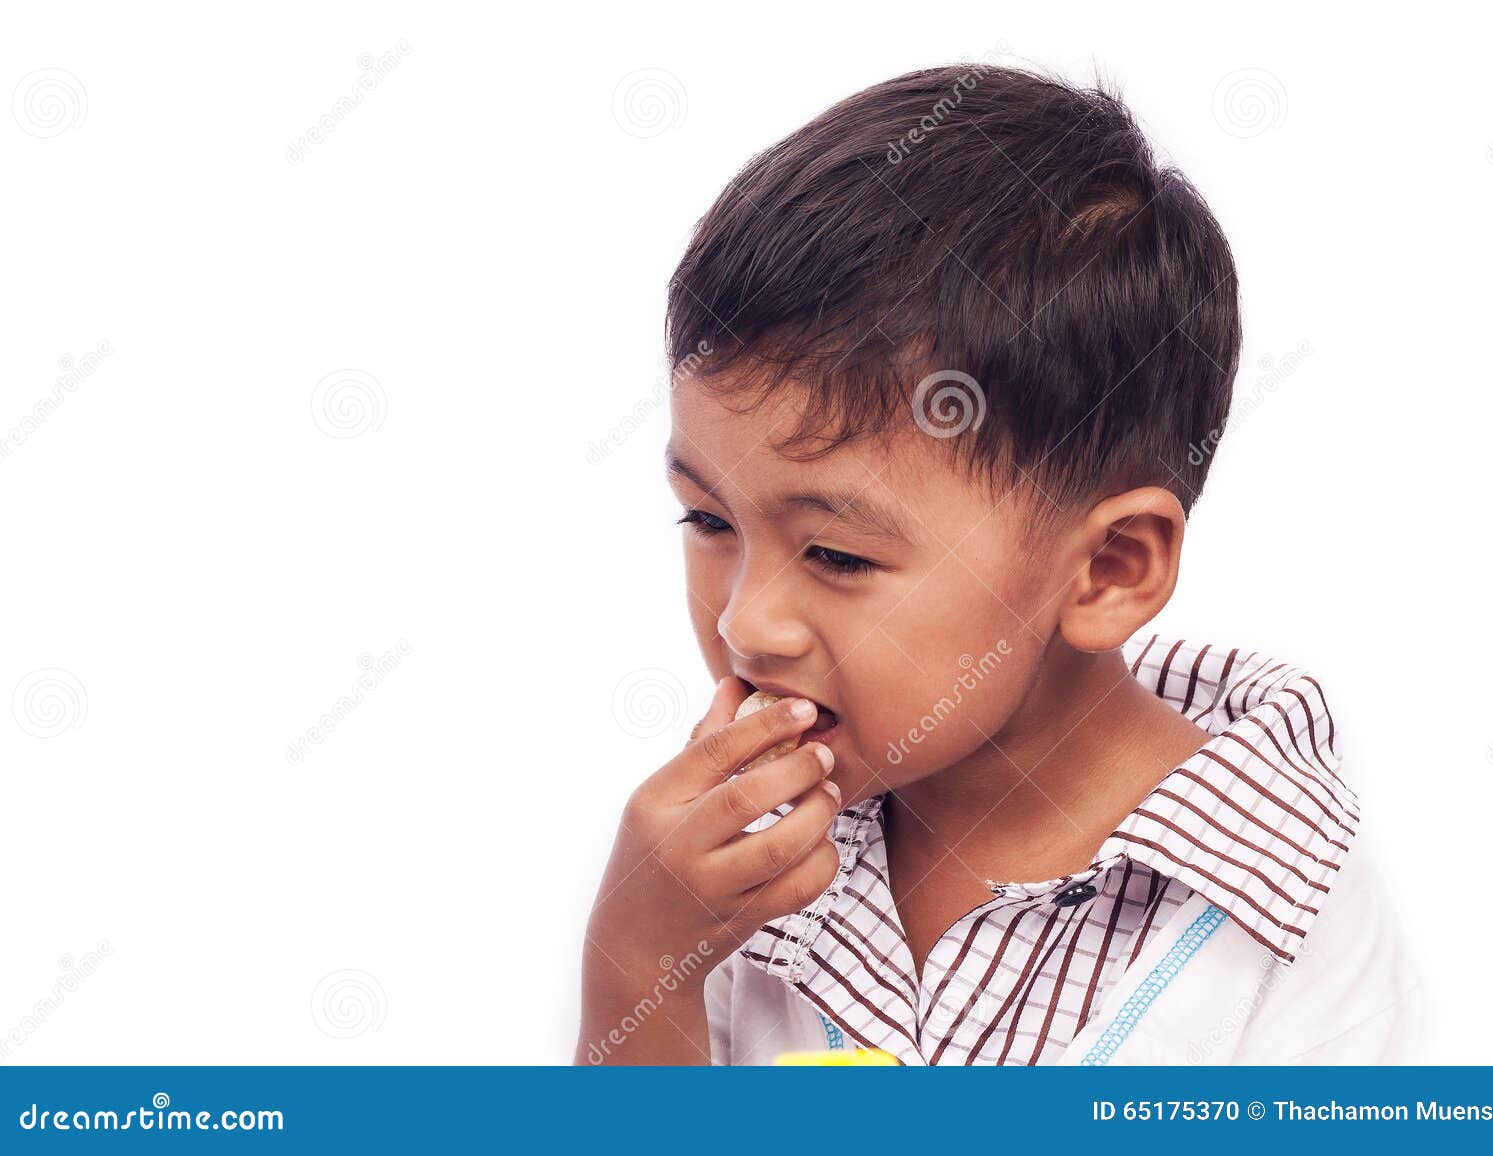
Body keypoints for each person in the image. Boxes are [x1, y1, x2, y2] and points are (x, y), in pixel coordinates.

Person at [576, 63, 1422, 1065]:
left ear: (1108, 567)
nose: (746, 623)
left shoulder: (1283, 917)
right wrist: (637, 964)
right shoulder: (729, 870)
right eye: (707, 520)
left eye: (837, 554)